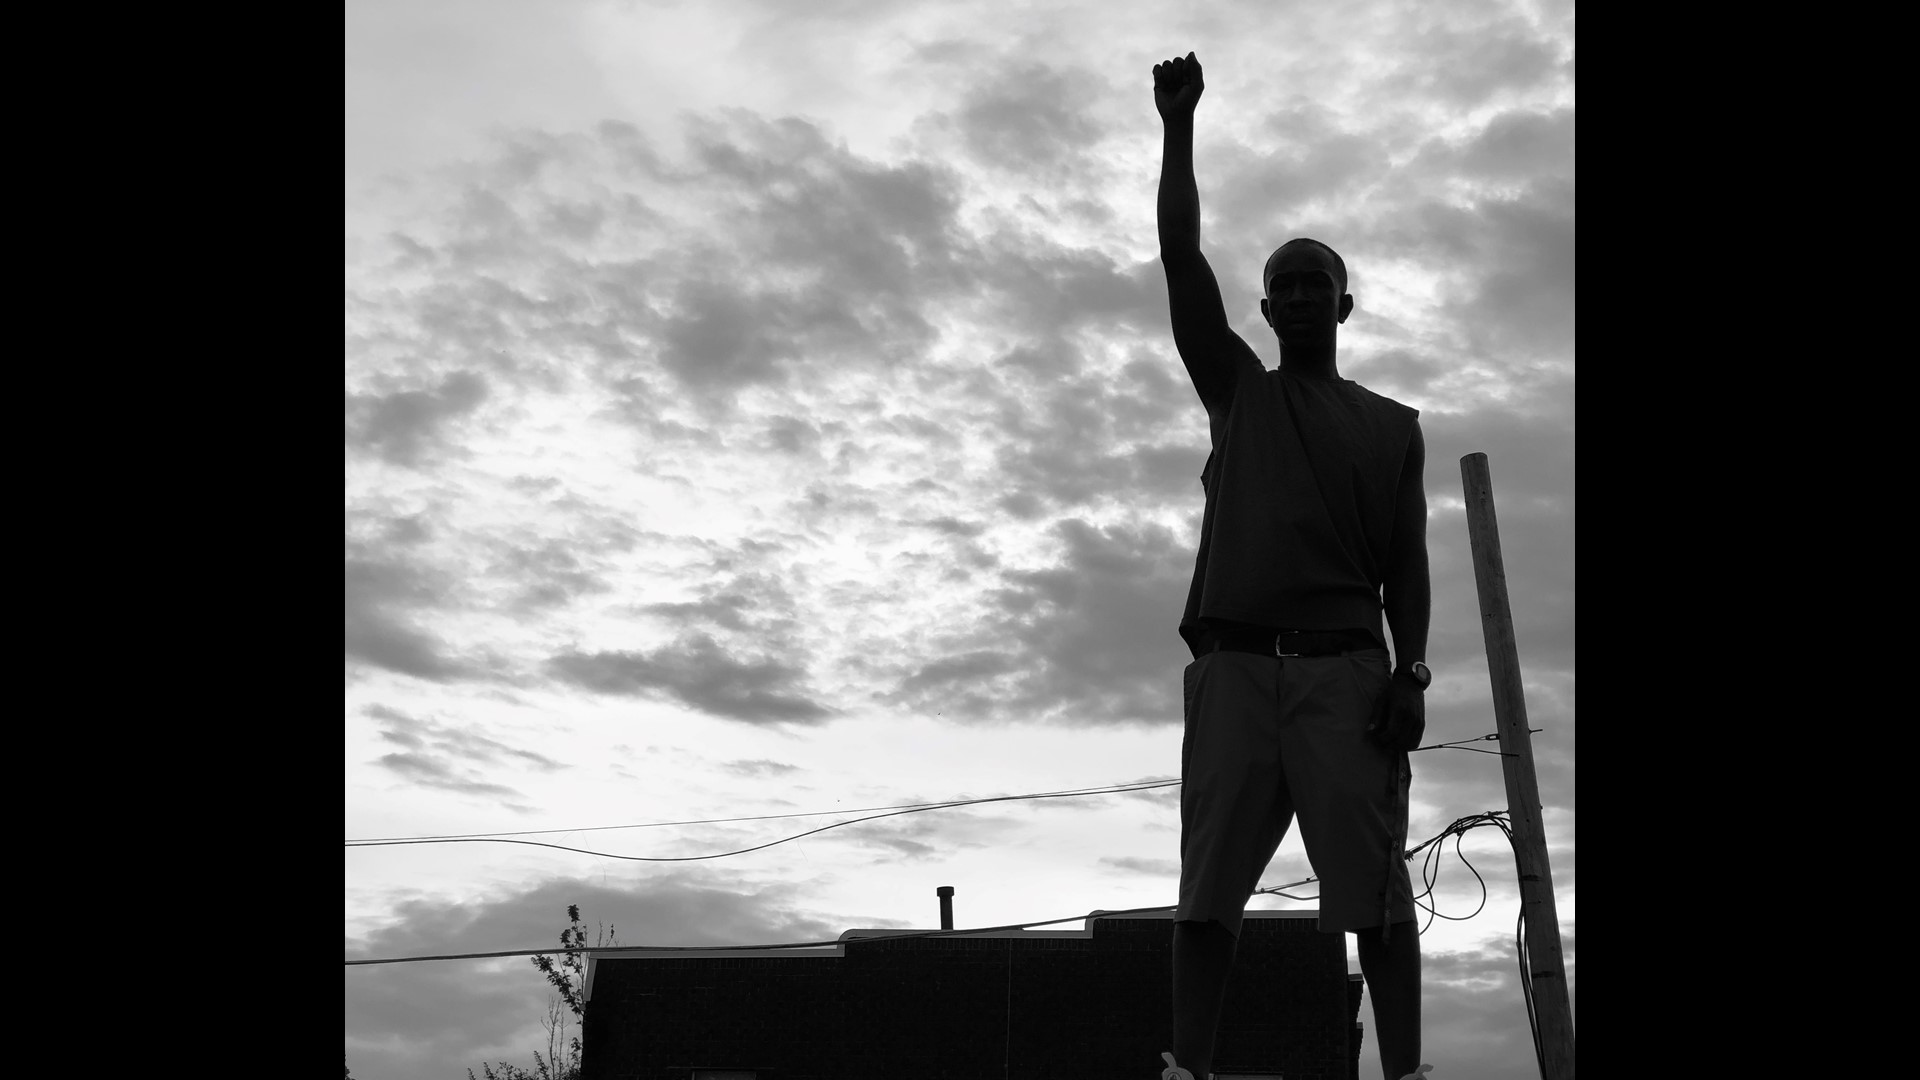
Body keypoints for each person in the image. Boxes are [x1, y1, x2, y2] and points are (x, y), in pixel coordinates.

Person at [1150, 52, 1434, 1080]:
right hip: (1232, 669)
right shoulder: (1238, 392)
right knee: (1205, 900)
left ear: (1344, 307)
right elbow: (1181, 257)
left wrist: (1410, 674)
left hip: (1346, 676)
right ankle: (1189, 1068)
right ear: (1264, 314)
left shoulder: (1391, 428)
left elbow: (1406, 561)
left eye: (1318, 282)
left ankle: (1404, 1073)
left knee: (1380, 901)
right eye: (1283, 286)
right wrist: (1178, 126)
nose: (1301, 295)